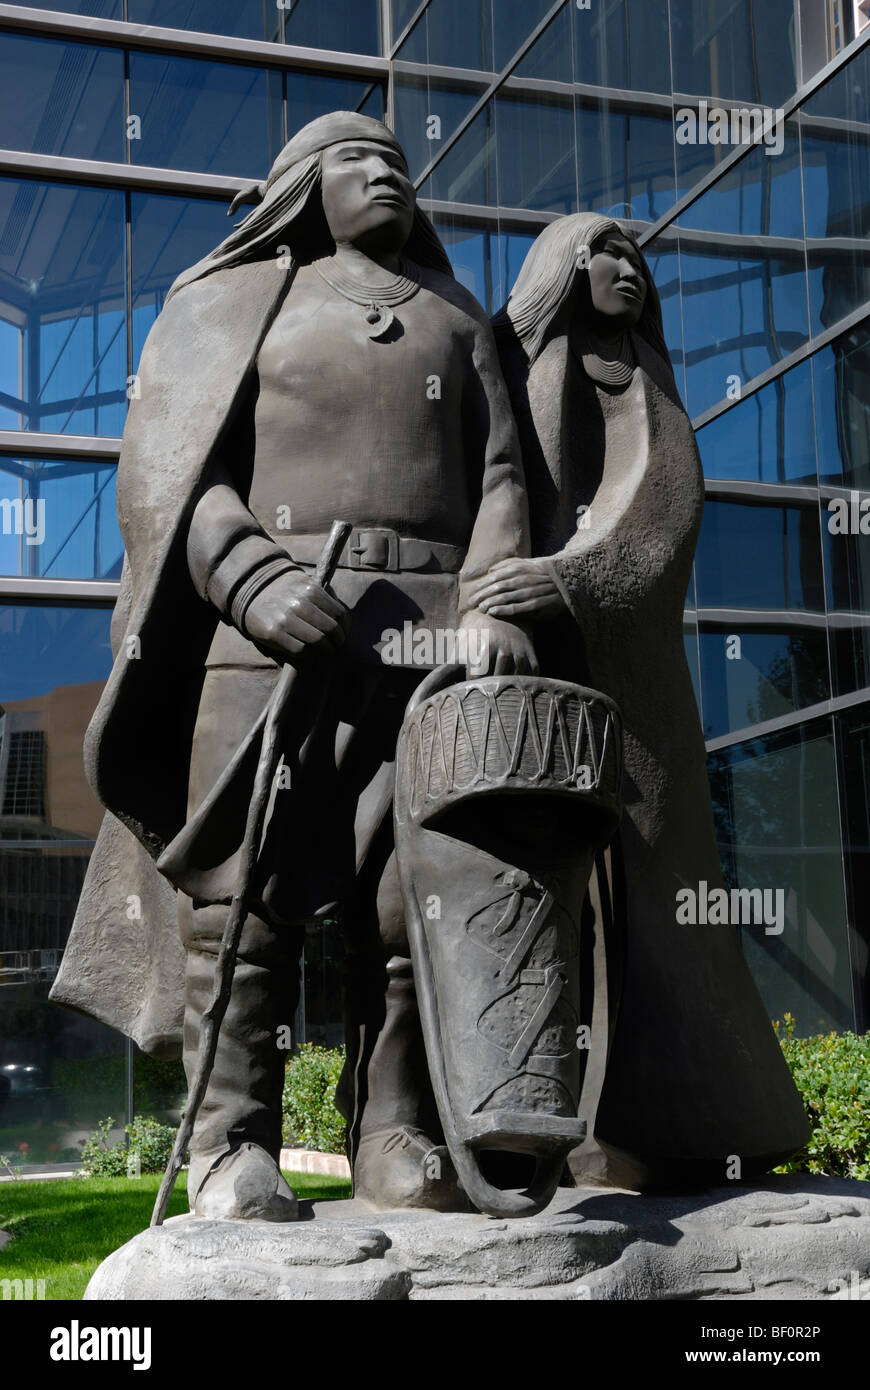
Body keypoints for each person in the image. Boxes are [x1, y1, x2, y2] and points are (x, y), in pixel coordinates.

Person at [50, 112, 535, 1219]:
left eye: (402, 165)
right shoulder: (229, 305)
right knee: (244, 894)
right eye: (360, 160)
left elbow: (504, 478)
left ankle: (396, 1131)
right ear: (300, 185)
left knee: (412, 902)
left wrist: (493, 594)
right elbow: (174, 478)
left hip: (430, 645)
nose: (389, 177)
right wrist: (253, 579)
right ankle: (231, 1144)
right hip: (266, 640)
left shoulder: (458, 322)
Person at [471, 213, 808, 1187]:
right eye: (604, 253)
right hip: (534, 679)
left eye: (634, 257)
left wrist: (564, 581)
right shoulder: (508, 367)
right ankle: (520, 1123)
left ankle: (667, 1125)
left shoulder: (642, 382)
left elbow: (657, 518)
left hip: (635, 692)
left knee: (650, 900)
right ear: (561, 271)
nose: (624, 270)